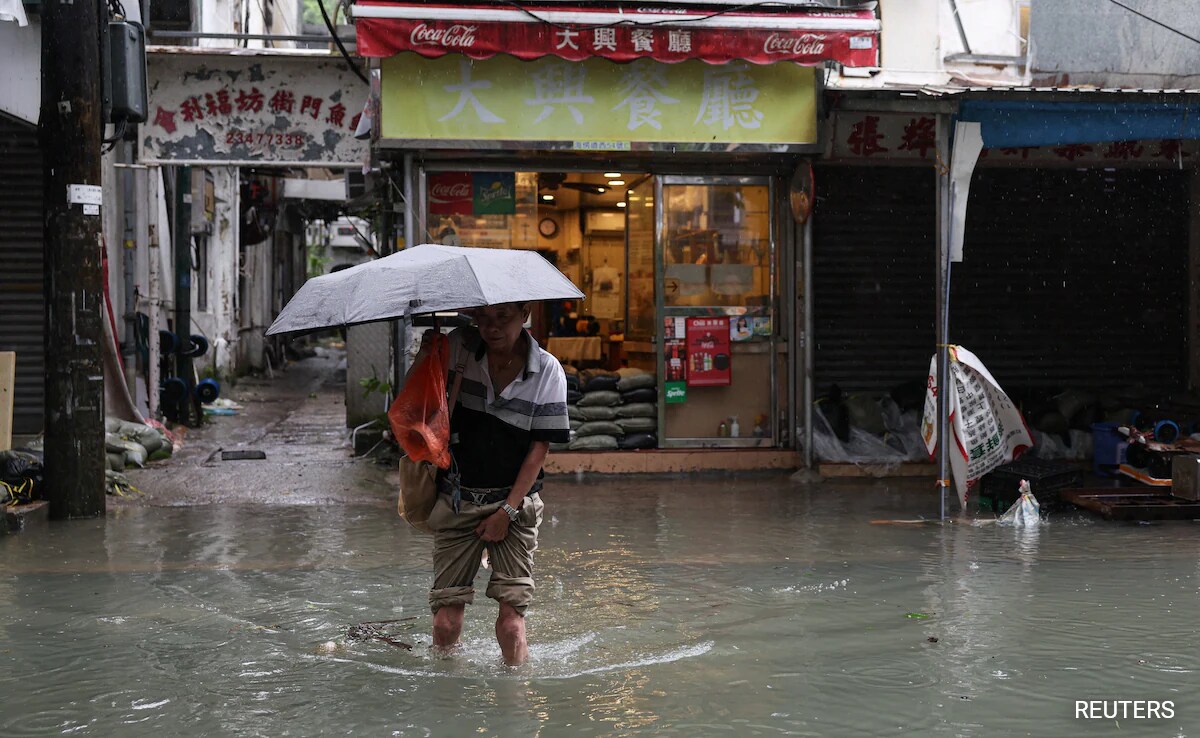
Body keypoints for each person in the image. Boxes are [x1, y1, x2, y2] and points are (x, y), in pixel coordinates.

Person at [418, 302, 569, 666]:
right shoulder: (458, 349)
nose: (492, 328)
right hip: (457, 499)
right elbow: (418, 406)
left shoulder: (547, 370)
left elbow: (539, 449)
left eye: (503, 318)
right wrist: (426, 359)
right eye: (483, 319)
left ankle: (514, 699)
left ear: (525, 316)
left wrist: (508, 510)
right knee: (444, 621)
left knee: (512, 624)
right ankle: (446, 694)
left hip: (515, 503)